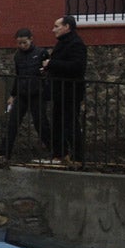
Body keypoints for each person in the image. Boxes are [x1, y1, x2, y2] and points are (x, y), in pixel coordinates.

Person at [0, 28, 50, 159]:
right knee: (13, 123)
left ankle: (55, 151)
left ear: (31, 40)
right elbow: (18, 75)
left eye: (24, 43)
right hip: (22, 93)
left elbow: (48, 73)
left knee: (41, 123)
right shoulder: (18, 56)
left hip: (37, 93)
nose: (21, 46)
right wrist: (12, 95)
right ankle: (4, 153)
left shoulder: (41, 53)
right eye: (19, 43)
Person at [43, 15, 88, 162]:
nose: (53, 29)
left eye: (57, 26)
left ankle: (78, 157)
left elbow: (77, 66)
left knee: (70, 124)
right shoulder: (63, 43)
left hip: (70, 91)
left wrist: (51, 64)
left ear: (67, 27)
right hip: (59, 90)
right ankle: (60, 154)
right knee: (58, 123)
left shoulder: (76, 44)